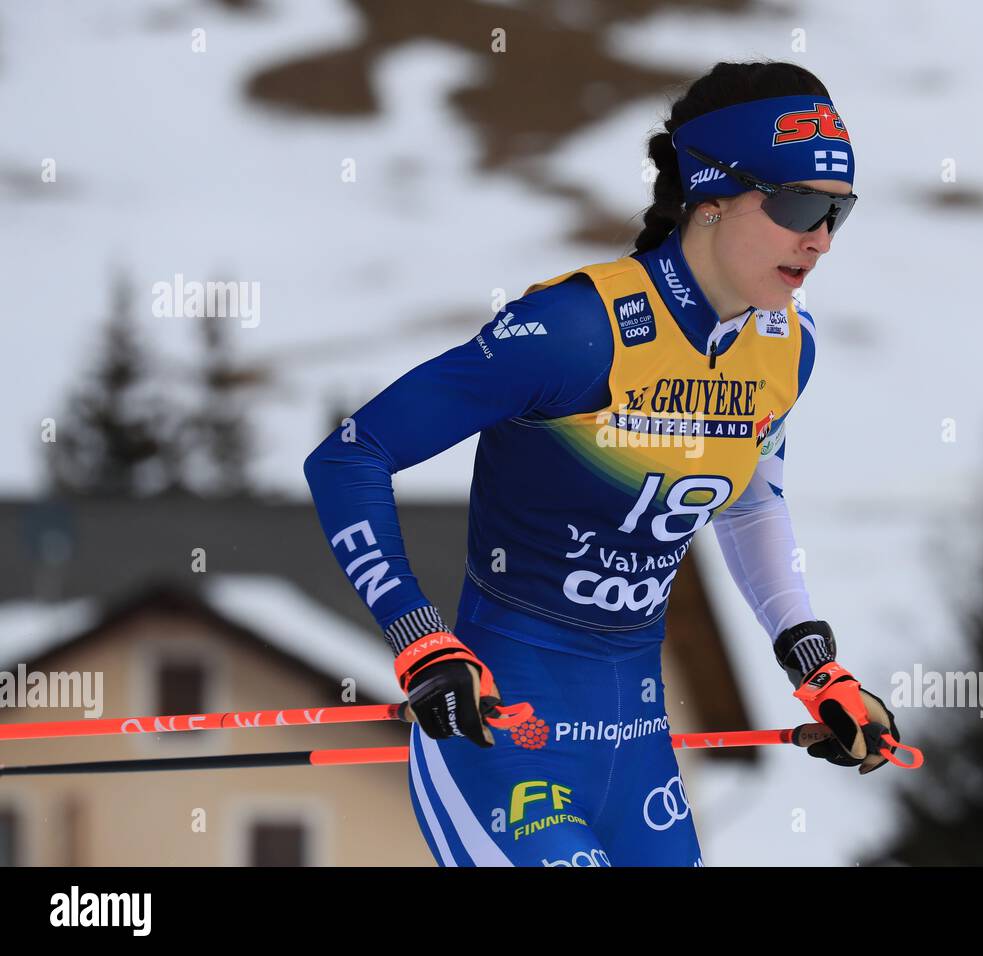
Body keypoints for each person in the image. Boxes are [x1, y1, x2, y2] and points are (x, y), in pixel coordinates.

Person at [303, 60, 901, 867]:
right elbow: (350, 457)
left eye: (838, 211)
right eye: (798, 203)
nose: (820, 238)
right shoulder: (577, 329)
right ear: (711, 199)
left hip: (635, 740)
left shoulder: (784, 346)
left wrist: (815, 665)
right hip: (504, 733)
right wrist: (421, 642)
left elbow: (752, 503)